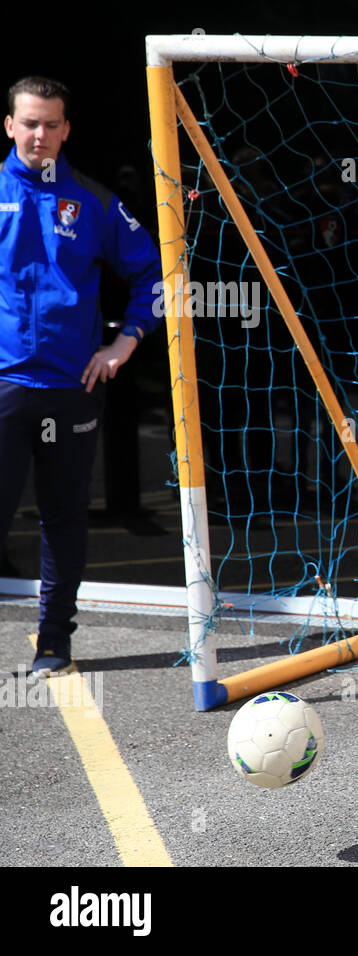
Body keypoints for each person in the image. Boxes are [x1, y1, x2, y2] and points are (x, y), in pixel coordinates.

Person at [1, 76, 163, 676]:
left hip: (72, 389)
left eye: (51, 124)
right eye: (29, 123)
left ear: (66, 129)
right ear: (10, 126)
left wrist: (125, 342)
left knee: (62, 518)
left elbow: (157, 276)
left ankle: (53, 642)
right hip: (6, 384)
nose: (39, 135)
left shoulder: (93, 202)